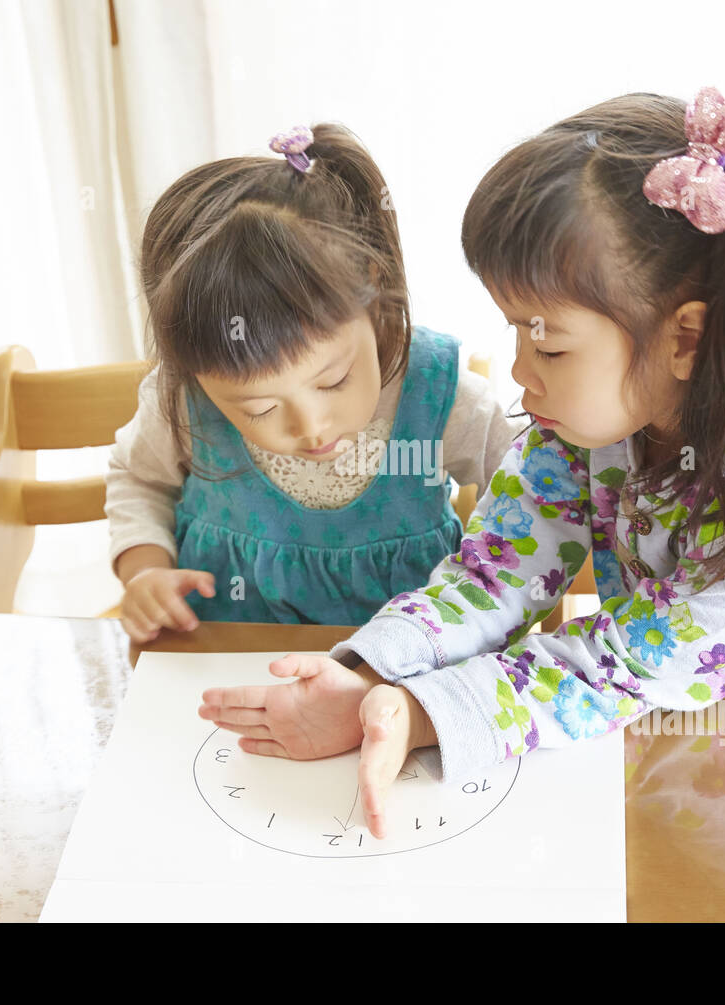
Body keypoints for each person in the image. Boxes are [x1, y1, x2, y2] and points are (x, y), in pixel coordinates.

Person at [199, 87, 725, 839]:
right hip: (662, 731)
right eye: (517, 333)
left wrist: (421, 716)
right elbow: (494, 576)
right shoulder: (575, 430)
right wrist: (368, 676)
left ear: (686, 340)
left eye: (548, 345)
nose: (521, 371)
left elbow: (629, 663)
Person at [106, 124, 522, 639]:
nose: (311, 425)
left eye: (333, 381)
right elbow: (140, 480)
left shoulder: (437, 391)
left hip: (401, 680)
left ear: (372, 286)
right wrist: (146, 570)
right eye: (258, 409)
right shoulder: (185, 400)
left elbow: (535, 497)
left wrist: (489, 594)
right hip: (224, 665)